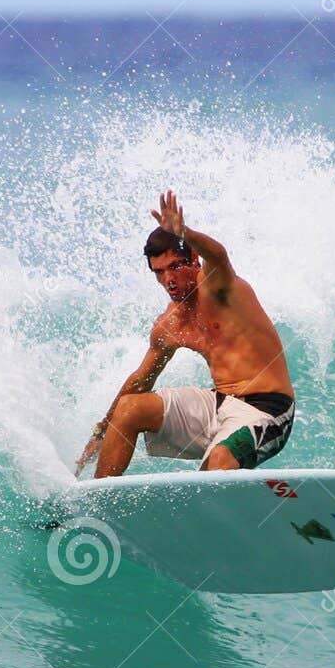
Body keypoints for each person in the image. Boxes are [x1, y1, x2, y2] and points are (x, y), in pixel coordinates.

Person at [76, 190, 295, 479]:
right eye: (159, 272)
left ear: (193, 259)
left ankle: (216, 490)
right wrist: (101, 431)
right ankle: (100, 496)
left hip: (268, 409)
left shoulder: (219, 288)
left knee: (219, 461)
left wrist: (185, 232)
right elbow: (140, 380)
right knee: (130, 408)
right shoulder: (171, 324)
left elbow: (218, 255)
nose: (169, 280)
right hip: (219, 403)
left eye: (175, 267)